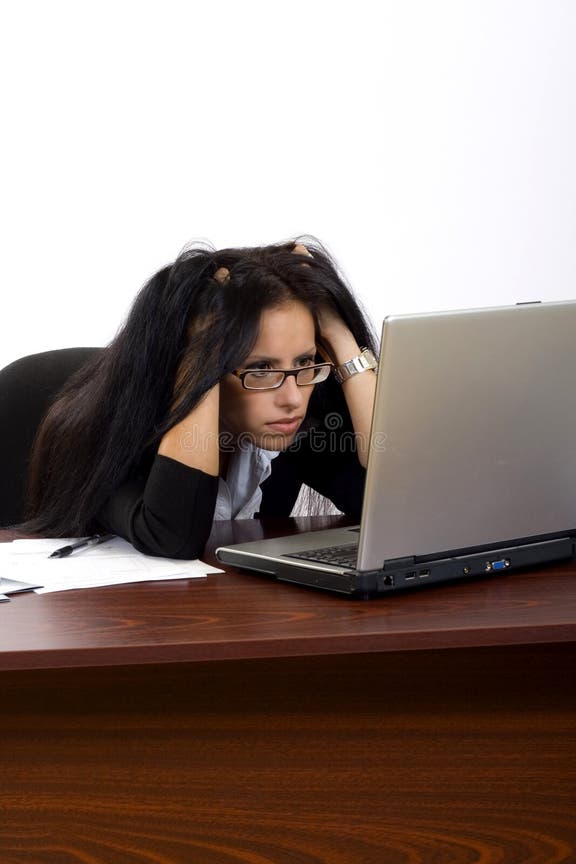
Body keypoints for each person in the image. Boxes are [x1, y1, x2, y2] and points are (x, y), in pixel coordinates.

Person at [24, 238, 379, 558]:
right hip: (126, 624)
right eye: (260, 369)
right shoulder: (107, 437)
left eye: (304, 362)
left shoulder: (297, 415)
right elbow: (173, 538)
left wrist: (338, 332)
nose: (292, 399)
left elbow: (395, 503)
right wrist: (204, 354)